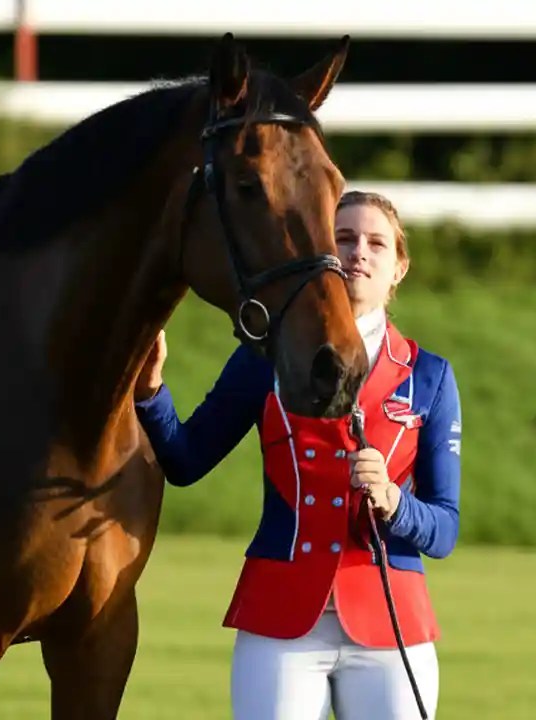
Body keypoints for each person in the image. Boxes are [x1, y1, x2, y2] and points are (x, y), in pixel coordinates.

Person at [133, 190, 462, 719]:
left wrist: (395, 502)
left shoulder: (430, 376)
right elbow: (186, 459)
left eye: (376, 243)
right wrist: (150, 392)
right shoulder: (264, 358)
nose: (359, 251)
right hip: (281, 620)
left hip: (390, 624)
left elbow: (445, 530)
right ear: (322, 252)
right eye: (345, 238)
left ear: (398, 267)